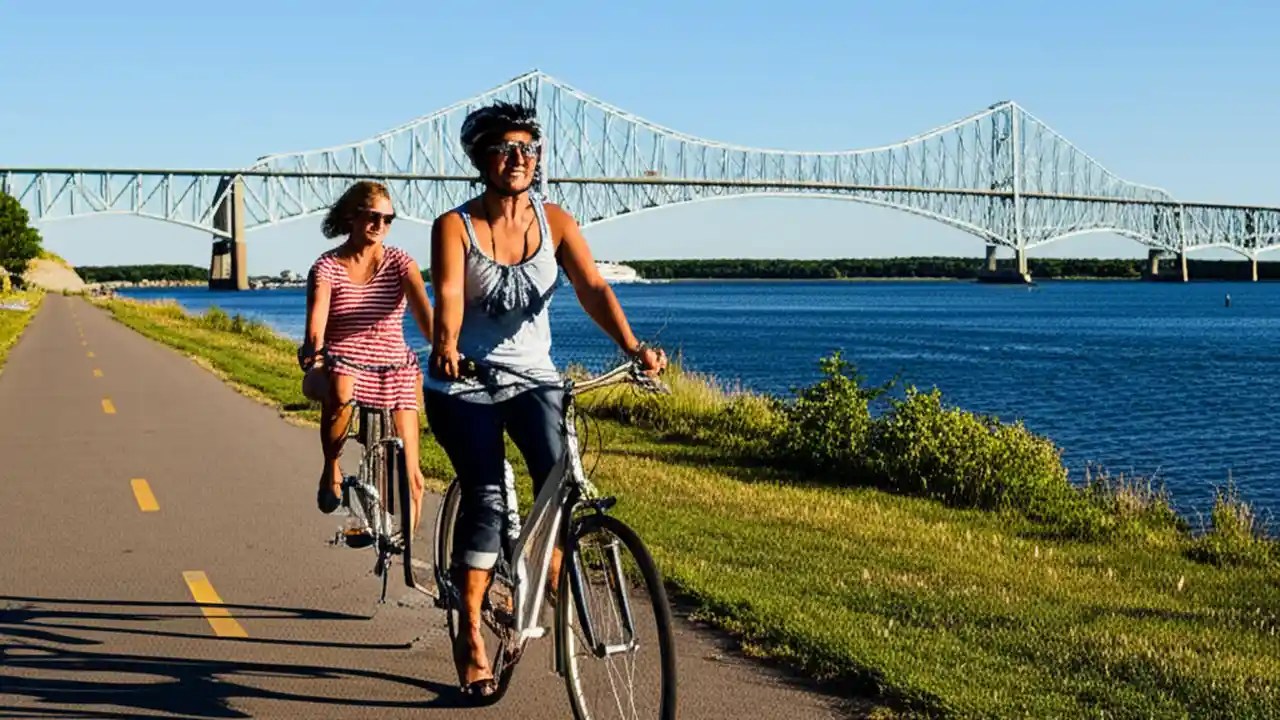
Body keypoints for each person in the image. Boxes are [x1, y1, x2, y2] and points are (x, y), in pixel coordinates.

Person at [424, 101, 667, 701]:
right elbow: (450, 292)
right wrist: (448, 343)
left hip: (536, 378)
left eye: (529, 149)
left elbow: (593, 286)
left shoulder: (554, 220)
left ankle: (555, 568)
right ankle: (472, 637)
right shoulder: (455, 226)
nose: (520, 159)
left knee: (563, 481)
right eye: (506, 149)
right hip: (466, 382)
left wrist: (634, 347)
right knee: (486, 496)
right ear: (481, 159)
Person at [298, 180, 434, 535]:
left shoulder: (402, 263)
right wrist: (314, 353)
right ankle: (332, 467)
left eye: (388, 219)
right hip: (343, 356)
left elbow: (425, 317)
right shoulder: (326, 267)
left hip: (393, 361)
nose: (380, 225)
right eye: (372, 216)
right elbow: (317, 327)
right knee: (341, 386)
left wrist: (446, 348)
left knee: (411, 465)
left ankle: (402, 547)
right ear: (350, 217)